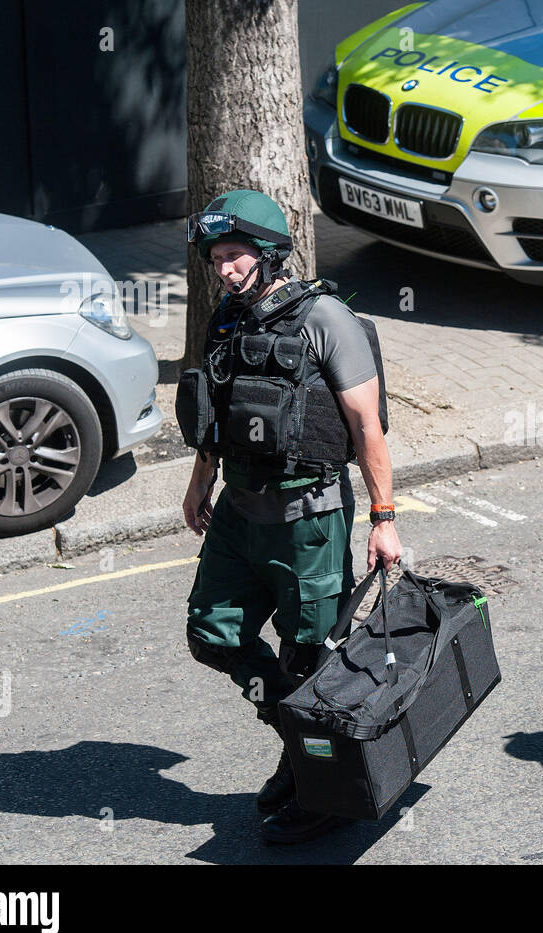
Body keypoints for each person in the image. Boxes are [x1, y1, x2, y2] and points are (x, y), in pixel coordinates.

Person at [179, 189, 402, 843]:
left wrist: (384, 519)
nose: (223, 268)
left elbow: (368, 427)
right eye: (216, 257)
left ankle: (323, 790)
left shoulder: (325, 317)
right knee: (211, 633)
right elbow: (214, 417)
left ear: (269, 253)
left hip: (310, 517)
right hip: (240, 515)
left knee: (309, 659)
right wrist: (199, 483)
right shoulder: (226, 320)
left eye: (234, 255)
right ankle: (301, 741)